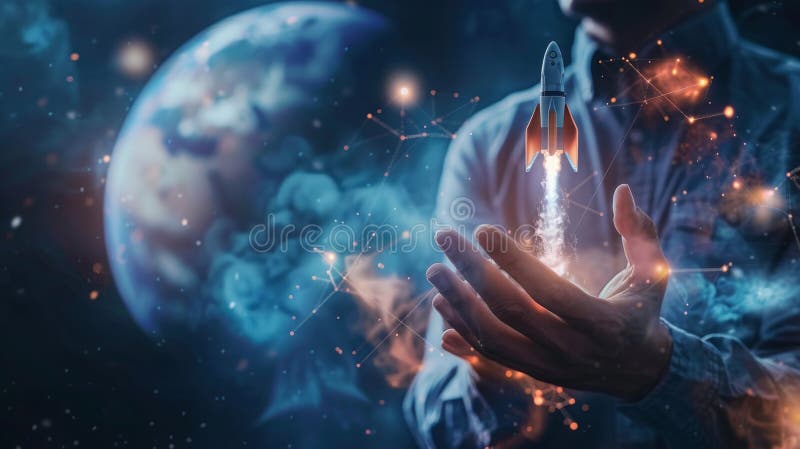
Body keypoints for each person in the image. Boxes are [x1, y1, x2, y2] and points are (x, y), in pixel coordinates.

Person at [404, 0, 800, 448]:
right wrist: (494, 376)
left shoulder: (790, 119)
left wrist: (657, 370)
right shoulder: (488, 146)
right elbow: (439, 422)